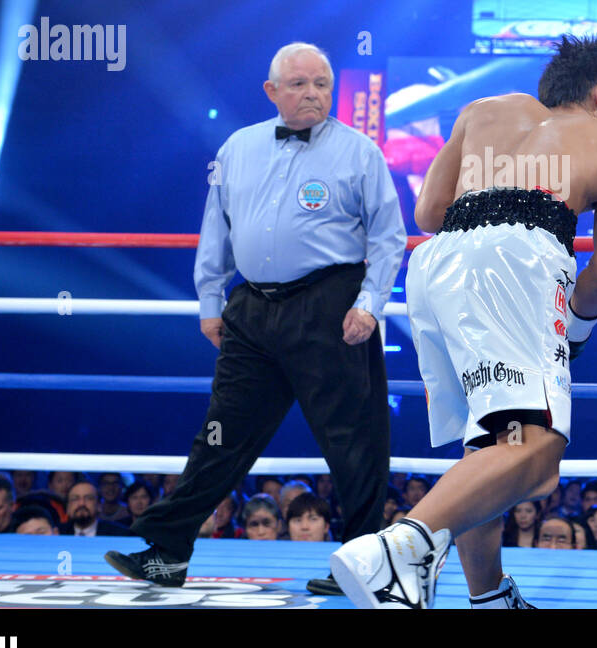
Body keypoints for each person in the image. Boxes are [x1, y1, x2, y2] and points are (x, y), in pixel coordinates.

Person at [330, 35, 597, 609]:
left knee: (493, 444)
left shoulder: (484, 110)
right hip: (516, 268)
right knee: (540, 452)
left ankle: (489, 596)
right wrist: (576, 330)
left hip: (437, 267)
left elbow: (426, 212)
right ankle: (398, 547)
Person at [106, 42, 405, 597]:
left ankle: (366, 567)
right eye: (299, 83)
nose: (313, 92)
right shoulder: (237, 148)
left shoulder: (360, 151)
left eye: (322, 83)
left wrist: (369, 304)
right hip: (251, 309)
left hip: (330, 305)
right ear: (272, 91)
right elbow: (215, 230)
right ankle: (167, 551)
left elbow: (389, 236)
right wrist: (210, 302)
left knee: (353, 439)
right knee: (222, 432)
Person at [61, 481, 131, 537]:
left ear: (99, 505)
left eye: (88, 498)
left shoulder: (119, 535)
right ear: (68, 507)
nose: (81, 503)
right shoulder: (58, 534)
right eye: (75, 499)